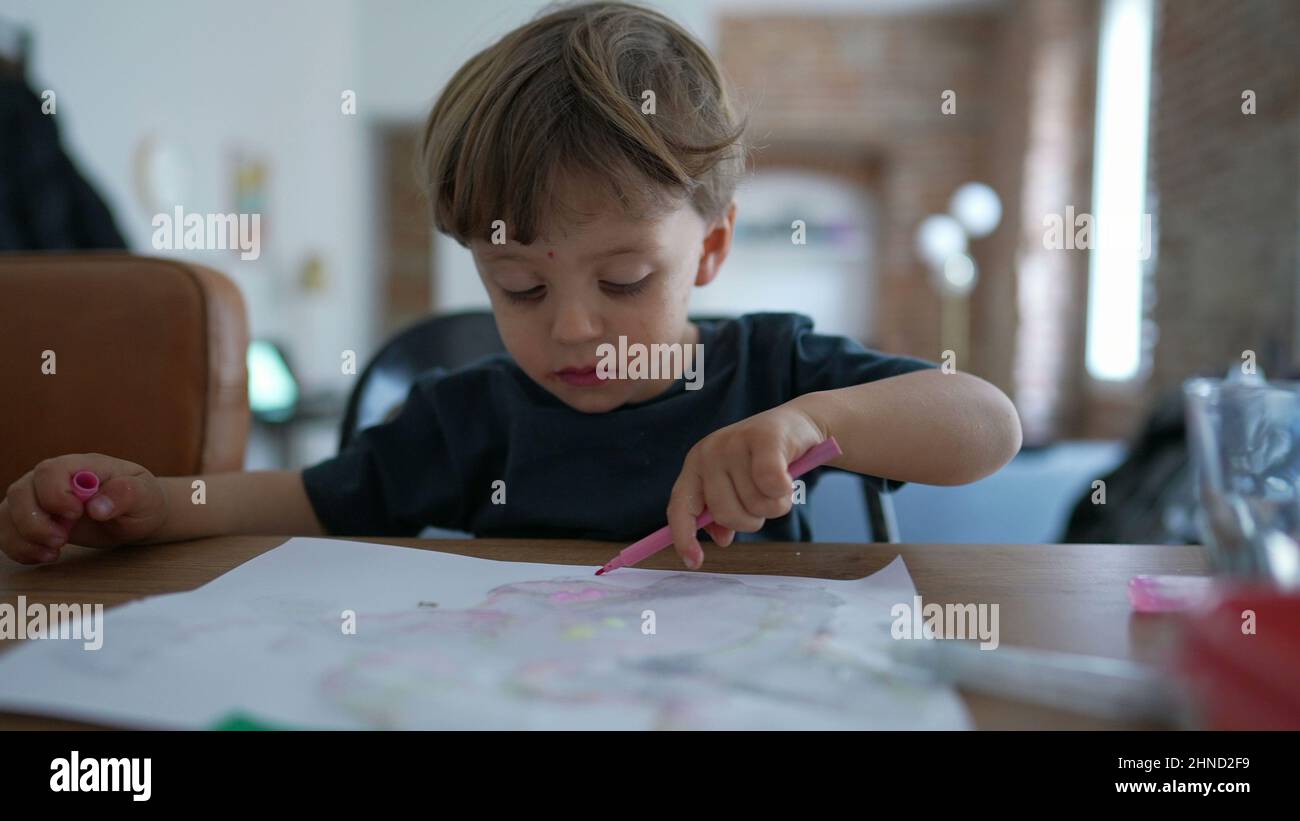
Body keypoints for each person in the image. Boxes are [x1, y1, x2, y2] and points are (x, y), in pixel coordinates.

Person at [0, 1, 1021, 570]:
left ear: (708, 253)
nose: (572, 324)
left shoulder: (772, 368)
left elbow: (986, 424)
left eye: (623, 277)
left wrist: (809, 422)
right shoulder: (468, 421)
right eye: (517, 286)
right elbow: (297, 498)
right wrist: (143, 501)